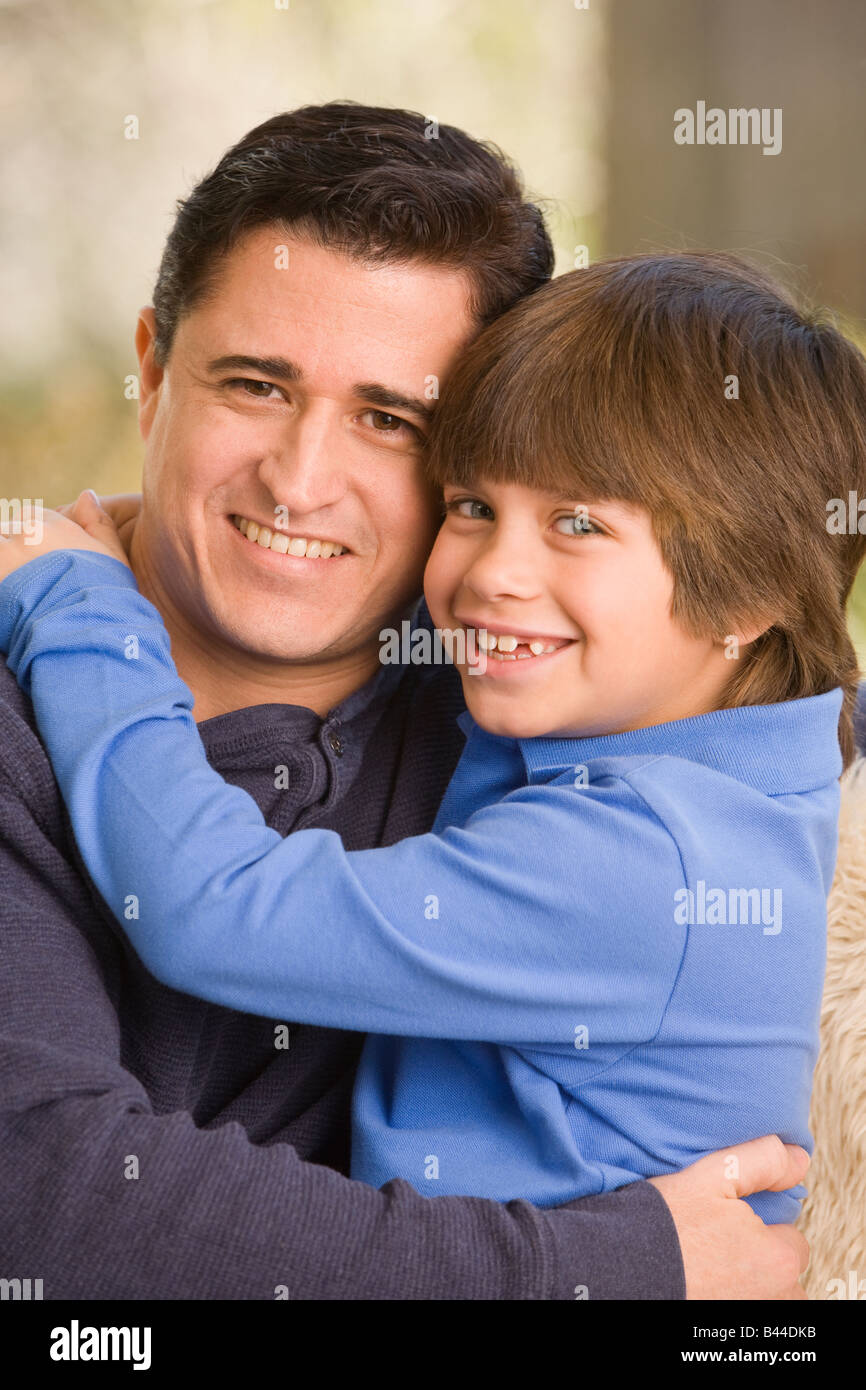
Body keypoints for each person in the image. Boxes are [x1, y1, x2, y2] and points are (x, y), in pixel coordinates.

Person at [0, 104, 810, 1299]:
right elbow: (49, 1202)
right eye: (256, 385)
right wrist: (612, 1266)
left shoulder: (519, 697)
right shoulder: (26, 706)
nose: (301, 478)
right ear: (154, 369)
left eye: (391, 419)